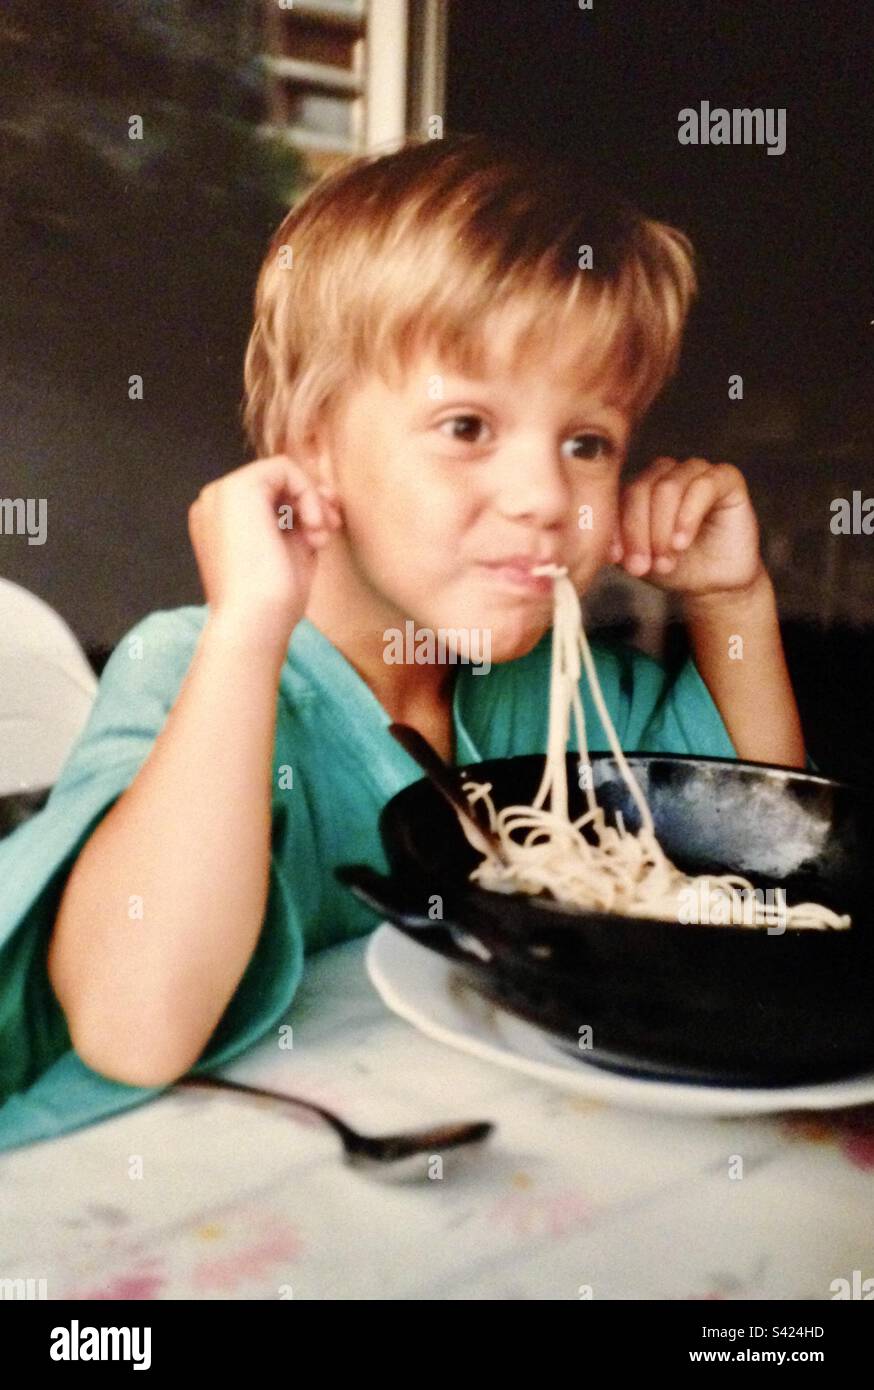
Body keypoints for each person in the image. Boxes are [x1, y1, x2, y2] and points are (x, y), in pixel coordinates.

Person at [0, 132, 808, 1152]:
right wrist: (248, 630)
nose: (545, 498)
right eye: (467, 426)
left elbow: (769, 856)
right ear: (310, 441)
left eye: (587, 442)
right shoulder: (200, 669)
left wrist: (733, 603)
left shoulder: (553, 696)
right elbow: (133, 1030)